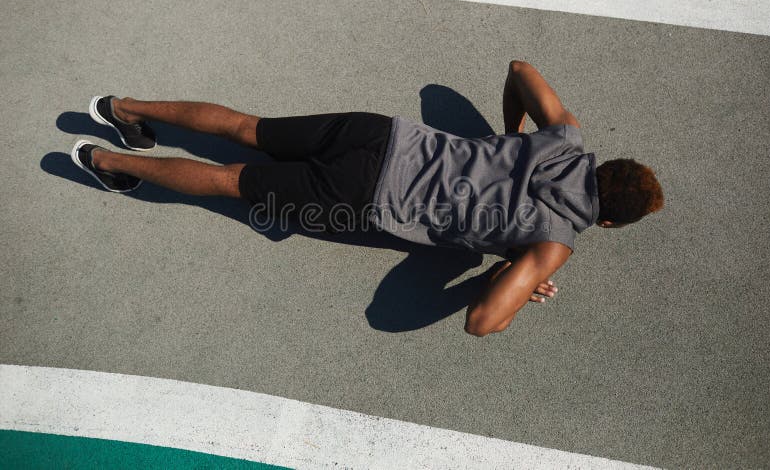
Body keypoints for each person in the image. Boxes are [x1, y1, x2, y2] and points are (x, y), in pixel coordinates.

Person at [71, 60, 663, 336]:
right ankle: (105, 163)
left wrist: (513, 137)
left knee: (248, 128)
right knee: (231, 181)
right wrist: (512, 273)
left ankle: (121, 108)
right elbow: (484, 322)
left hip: (379, 134)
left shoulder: (565, 137)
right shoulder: (553, 244)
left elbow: (519, 69)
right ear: (607, 223)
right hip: (358, 198)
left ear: (604, 165)